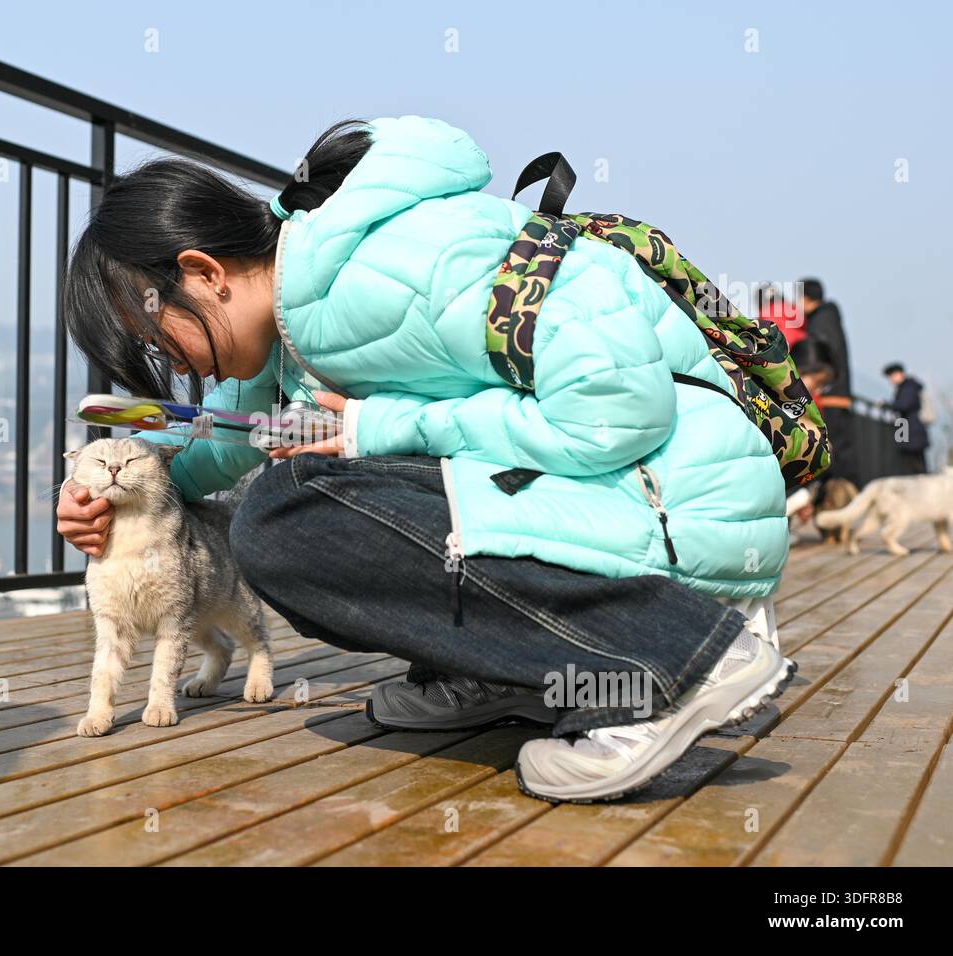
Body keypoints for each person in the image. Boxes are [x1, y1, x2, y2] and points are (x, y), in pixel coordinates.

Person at [57, 115, 793, 803]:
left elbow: (618, 408)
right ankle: (518, 672)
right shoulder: (294, 329)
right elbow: (221, 442)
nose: (184, 372)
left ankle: (679, 663)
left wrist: (389, 425)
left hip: (676, 514)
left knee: (288, 513)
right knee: (292, 495)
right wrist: (110, 491)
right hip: (621, 509)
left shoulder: (404, 257)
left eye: (164, 346)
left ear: (203, 271)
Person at [798, 277, 857, 485]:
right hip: (838, 392)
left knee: (837, 449)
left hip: (834, 395)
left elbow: (823, 358)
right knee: (841, 447)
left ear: (807, 298)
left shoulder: (821, 321)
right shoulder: (828, 317)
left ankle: (840, 492)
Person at [883, 362, 930, 474]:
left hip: (912, 431)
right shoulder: (907, 387)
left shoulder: (908, 387)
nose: (891, 380)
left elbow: (904, 405)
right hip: (907, 431)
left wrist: (888, 404)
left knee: (915, 464)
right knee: (912, 464)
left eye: (892, 376)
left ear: (899, 374)